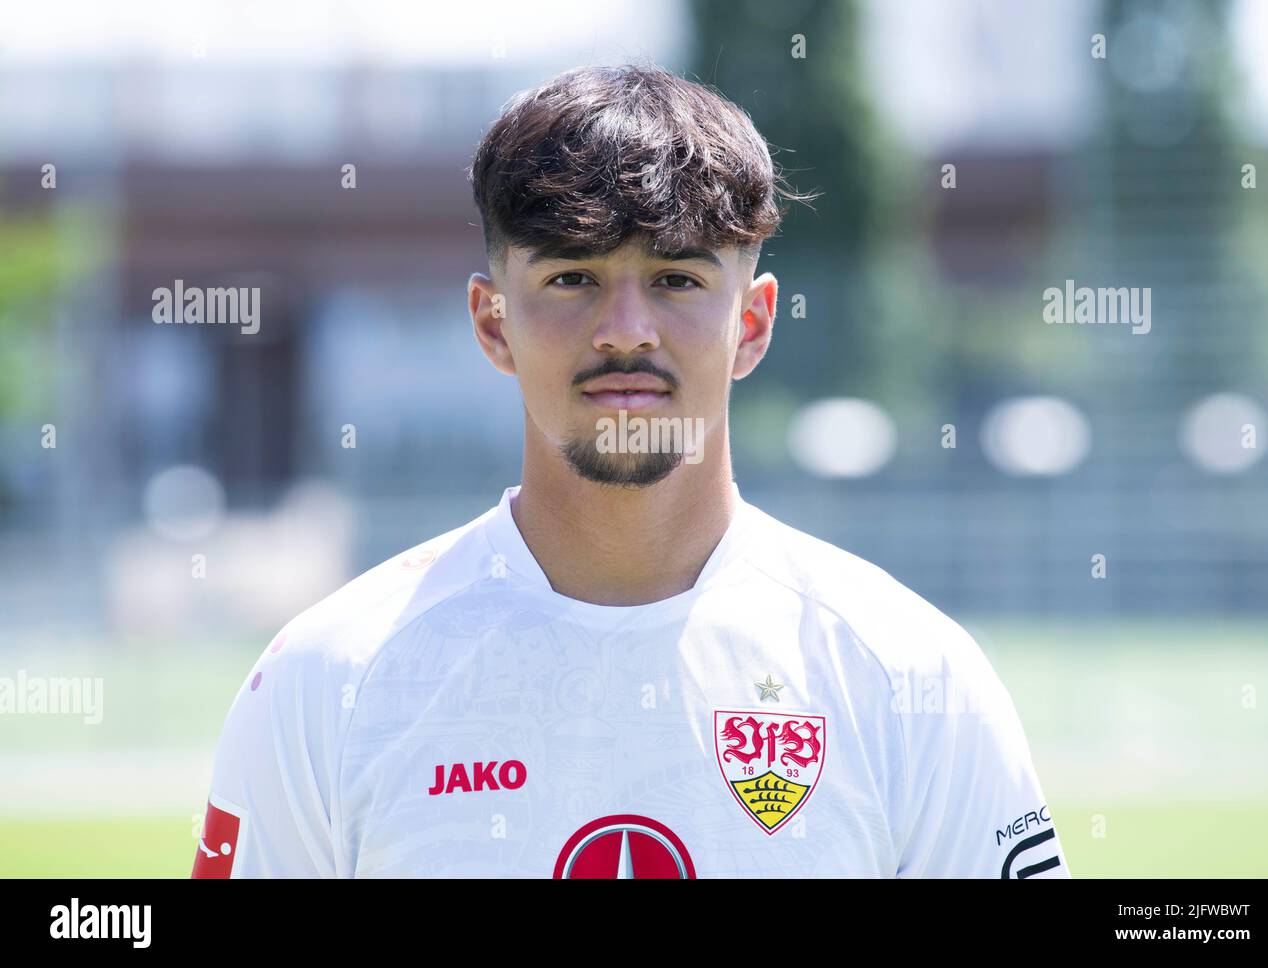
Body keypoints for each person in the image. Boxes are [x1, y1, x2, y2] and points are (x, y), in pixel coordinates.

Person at [193, 62, 1068, 879]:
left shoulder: (908, 674)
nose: (624, 329)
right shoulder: (332, 677)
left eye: (678, 280)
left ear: (753, 324)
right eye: (572, 276)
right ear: (493, 322)